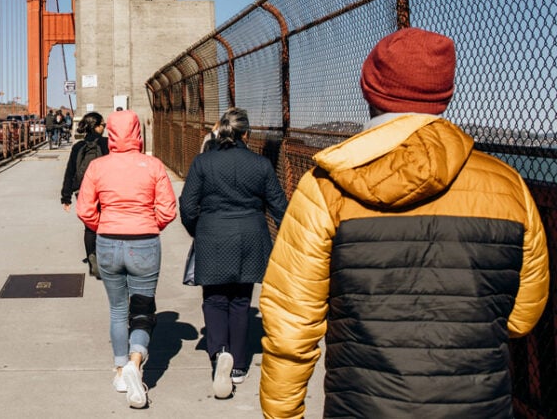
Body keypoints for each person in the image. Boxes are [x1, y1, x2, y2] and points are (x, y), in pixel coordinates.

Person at [259, 27, 550, 418]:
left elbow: (291, 325)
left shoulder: (325, 186)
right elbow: (521, 316)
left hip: (362, 405)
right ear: (444, 94)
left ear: (368, 89)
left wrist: (283, 413)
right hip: (479, 405)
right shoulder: (507, 185)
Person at [179, 107, 287, 399]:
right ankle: (238, 365)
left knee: (214, 299)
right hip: (251, 236)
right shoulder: (260, 165)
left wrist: (199, 230)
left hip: (213, 234)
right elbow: (280, 207)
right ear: (246, 134)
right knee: (241, 300)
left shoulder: (203, 162)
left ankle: (219, 354)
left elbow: (187, 206)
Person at [77, 109, 177, 409]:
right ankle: (136, 361)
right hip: (144, 242)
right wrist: (150, 225)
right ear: (138, 133)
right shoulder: (153, 165)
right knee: (143, 308)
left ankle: (121, 371)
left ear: (111, 133)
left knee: (118, 309)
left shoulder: (98, 166)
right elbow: (168, 210)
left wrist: (103, 226)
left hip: (108, 242)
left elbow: (85, 210)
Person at [60, 111, 109, 278]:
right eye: (103, 125)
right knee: (106, 223)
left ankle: (92, 259)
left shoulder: (78, 146)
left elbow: (70, 172)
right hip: (104, 189)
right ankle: (105, 258)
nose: (104, 128)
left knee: (90, 227)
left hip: (82, 191)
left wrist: (66, 197)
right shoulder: (106, 144)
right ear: (96, 126)